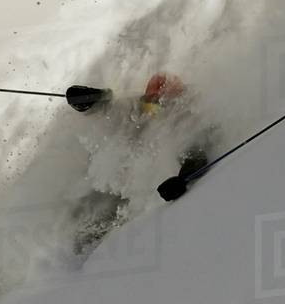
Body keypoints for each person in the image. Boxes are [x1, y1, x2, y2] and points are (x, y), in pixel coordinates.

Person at [68, 72, 216, 253]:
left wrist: (183, 179)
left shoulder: (187, 121)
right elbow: (110, 108)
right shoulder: (141, 108)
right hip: (119, 187)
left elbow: (197, 156)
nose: (153, 107)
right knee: (84, 227)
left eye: (161, 101)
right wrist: (89, 99)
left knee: (112, 235)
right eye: (150, 100)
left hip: (147, 198)